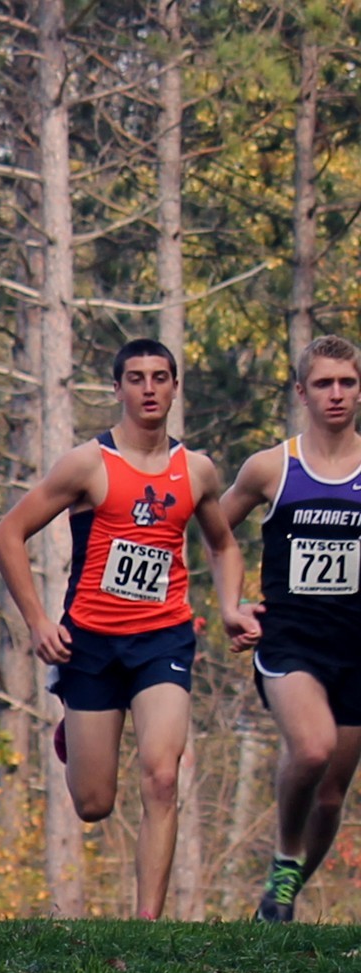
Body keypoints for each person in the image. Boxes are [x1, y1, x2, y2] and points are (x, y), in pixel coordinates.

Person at [0, 338, 255, 920]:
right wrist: (38, 620)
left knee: (162, 776)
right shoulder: (88, 464)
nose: (149, 388)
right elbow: (7, 535)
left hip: (164, 639)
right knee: (92, 803)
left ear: (175, 387)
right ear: (117, 390)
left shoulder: (197, 470)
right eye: (135, 378)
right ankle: (75, 733)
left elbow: (222, 543)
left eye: (160, 377)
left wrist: (231, 605)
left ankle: (148, 927)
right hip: (91, 642)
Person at [219, 335, 361, 922]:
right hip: (290, 641)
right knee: (311, 748)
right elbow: (214, 529)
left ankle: (284, 895)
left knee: (330, 796)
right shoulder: (272, 467)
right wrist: (232, 603)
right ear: (302, 391)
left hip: (355, 645)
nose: (337, 394)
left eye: (347, 382)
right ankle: (283, 859)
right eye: (324, 383)